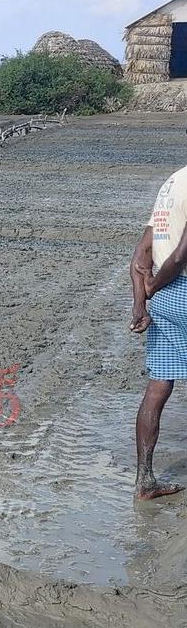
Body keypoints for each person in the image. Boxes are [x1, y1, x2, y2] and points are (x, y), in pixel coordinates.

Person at [130, 165, 187, 500]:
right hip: (178, 286)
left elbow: (141, 253)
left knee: (159, 386)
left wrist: (141, 301)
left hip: (165, 301)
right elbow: (180, 255)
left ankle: (145, 481)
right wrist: (155, 282)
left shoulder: (172, 183)